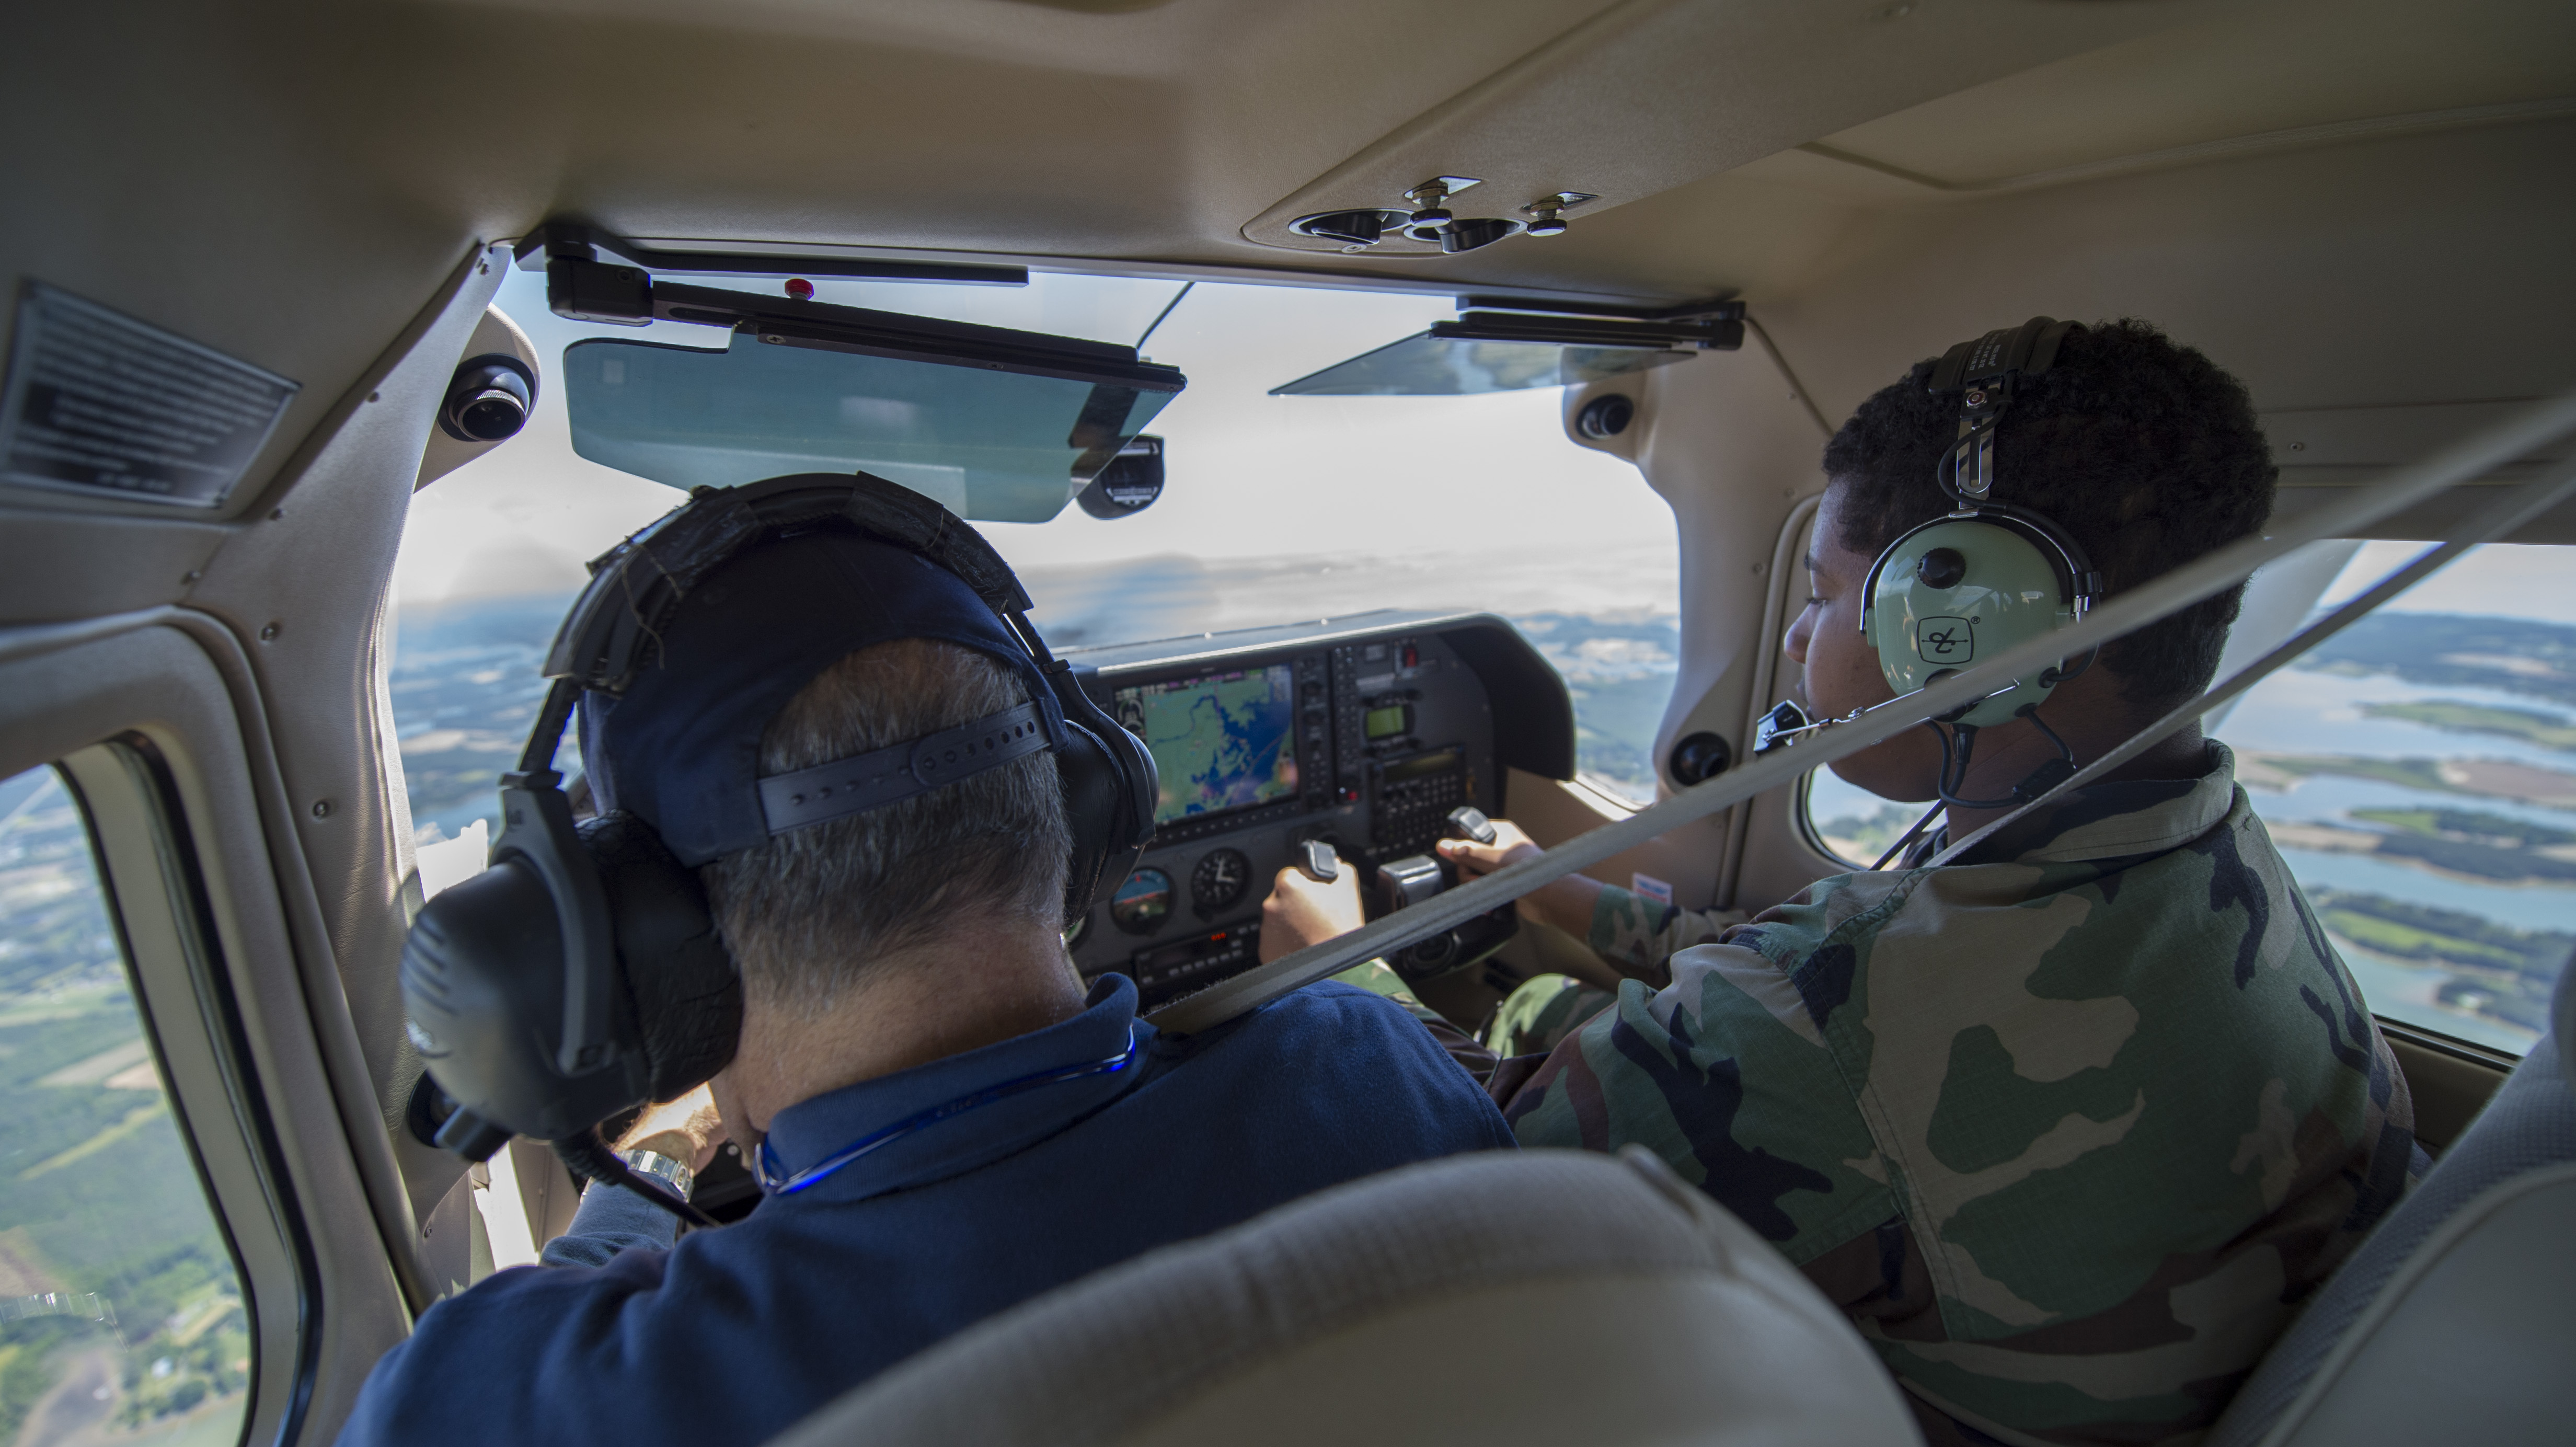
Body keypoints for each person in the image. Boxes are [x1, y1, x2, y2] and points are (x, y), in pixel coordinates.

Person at [1262, 320, 2422, 1446]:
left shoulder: (1835, 1021)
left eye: (1818, 593)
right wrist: (1568, 898)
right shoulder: (2197, 848)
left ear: (1959, 626)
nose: (1792, 638)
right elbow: (1813, 980)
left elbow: (1467, 1211)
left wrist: (1338, 978)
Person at [339, 526, 1516, 1447]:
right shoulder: (1372, 1079)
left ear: (648, 950)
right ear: (1087, 808)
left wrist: (650, 1168)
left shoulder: (515, 1409)